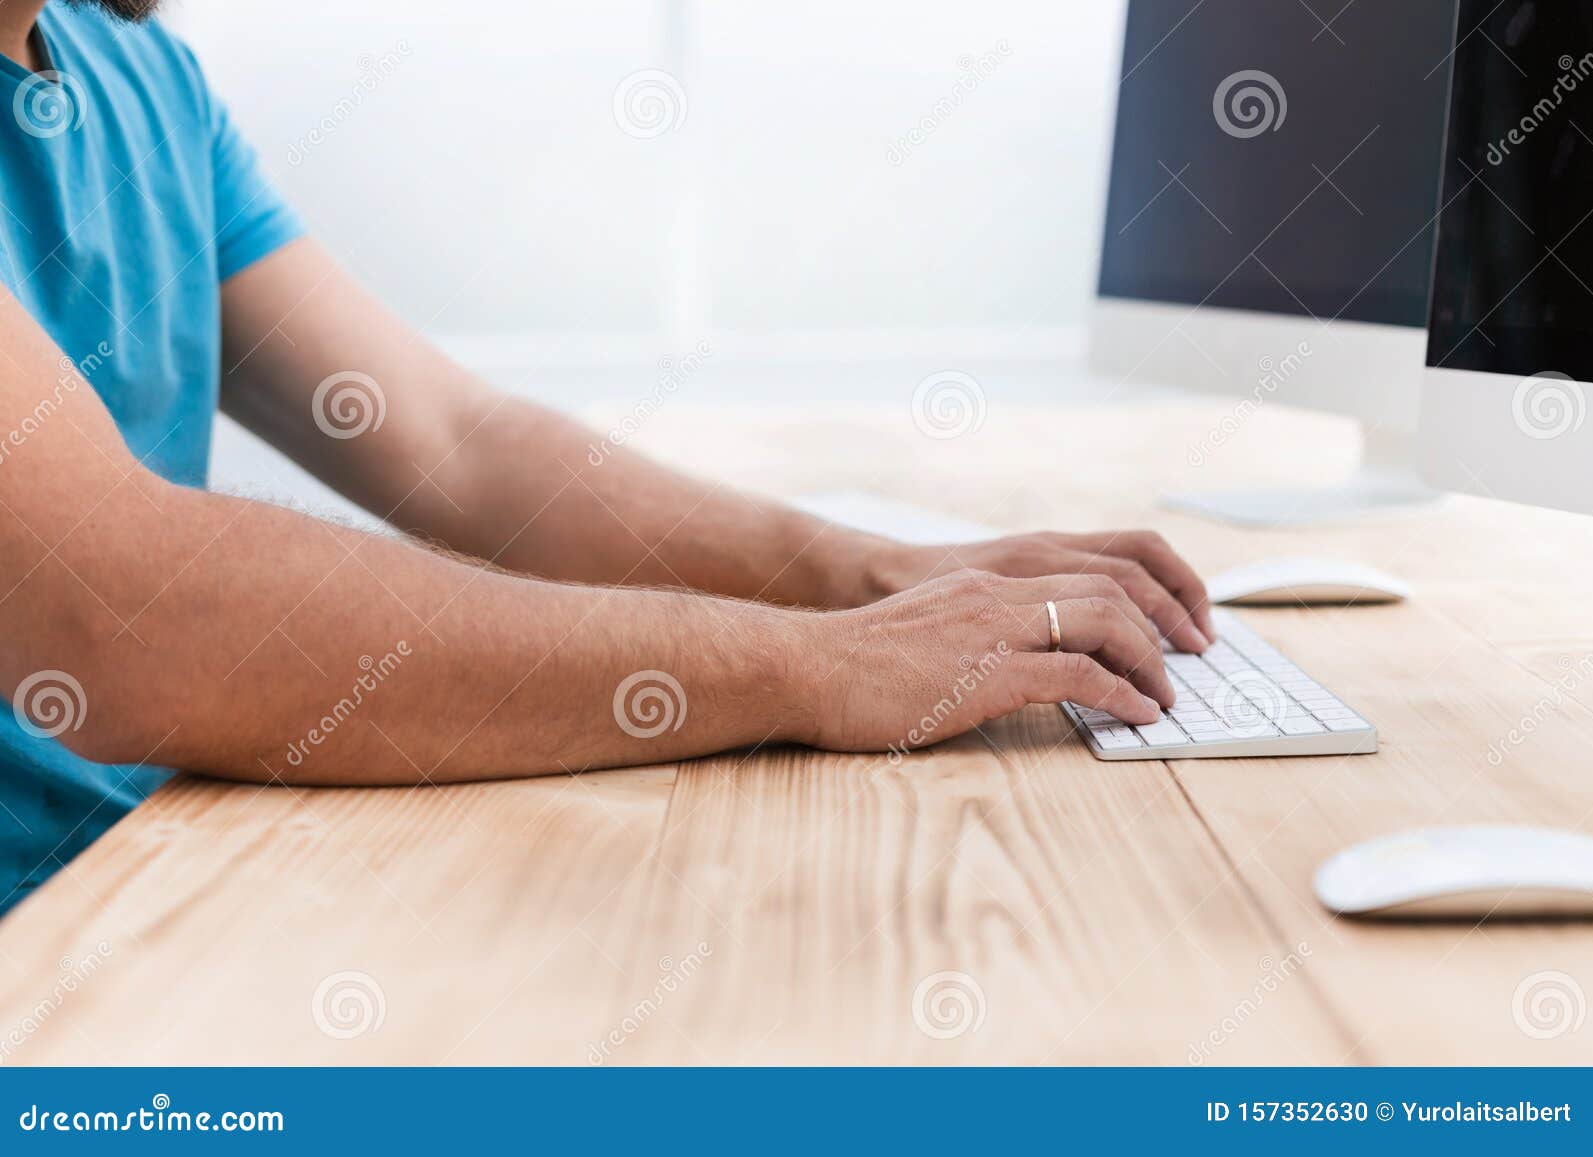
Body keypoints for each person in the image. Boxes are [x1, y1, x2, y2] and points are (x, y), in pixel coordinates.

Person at [0, 0, 1214, 913]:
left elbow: (452, 443)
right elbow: (119, 608)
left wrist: (868, 577)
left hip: (164, 871)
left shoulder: (136, 73)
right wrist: (811, 667)